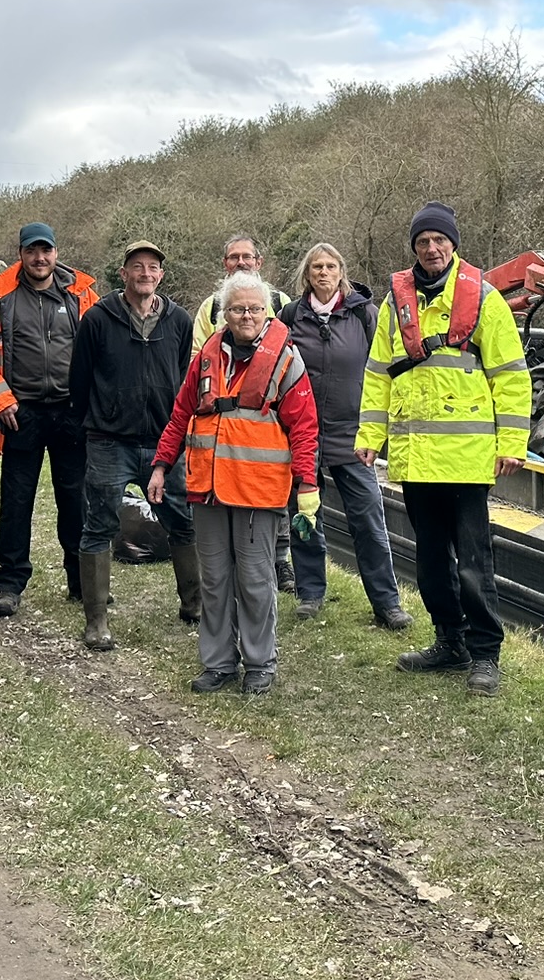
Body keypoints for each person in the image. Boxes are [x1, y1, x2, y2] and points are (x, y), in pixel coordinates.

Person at [354, 203, 531, 697]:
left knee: (474, 564)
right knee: (431, 562)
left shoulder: (484, 299)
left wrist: (513, 442)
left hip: (468, 460)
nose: (431, 249)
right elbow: (377, 374)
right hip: (415, 458)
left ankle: (485, 654)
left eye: (439, 240)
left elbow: (512, 377)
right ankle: (448, 640)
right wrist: (369, 437)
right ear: (413, 247)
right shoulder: (395, 303)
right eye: (423, 241)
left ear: (454, 244)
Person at [152, 272, 319, 694]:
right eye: (238, 309)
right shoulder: (206, 357)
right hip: (207, 488)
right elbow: (179, 415)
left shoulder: (285, 360)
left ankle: (261, 663)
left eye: (255, 309)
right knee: (214, 579)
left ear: (267, 312)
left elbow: (304, 428)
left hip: (257, 491)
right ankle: (219, 663)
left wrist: (307, 484)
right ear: (224, 313)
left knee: (256, 580)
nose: (247, 316)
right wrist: (159, 466)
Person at [67, 240, 200, 649]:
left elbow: (182, 379)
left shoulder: (179, 320)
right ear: (122, 273)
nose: (145, 273)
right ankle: (97, 621)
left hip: (164, 441)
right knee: (99, 525)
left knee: (183, 520)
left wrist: (174, 432)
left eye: (153, 267)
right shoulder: (97, 319)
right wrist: (95, 421)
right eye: (137, 267)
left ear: (161, 275)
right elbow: (80, 379)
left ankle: (194, 605)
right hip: (110, 440)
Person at [0, 222, 99, 619]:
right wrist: (0, 401)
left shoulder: (81, 295)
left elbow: (99, 351)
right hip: (19, 414)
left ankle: (82, 582)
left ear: (56, 253)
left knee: (76, 500)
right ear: (21, 254)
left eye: (46, 251)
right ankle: (9, 585)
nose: (40, 258)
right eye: (32, 251)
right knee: (16, 501)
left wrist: (90, 405)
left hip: (71, 413)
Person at [276, 243, 409, 627]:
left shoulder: (365, 314)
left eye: (330, 266)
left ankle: (387, 603)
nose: (323, 272)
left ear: (341, 272)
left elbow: (386, 369)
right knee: (306, 515)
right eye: (316, 266)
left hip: (352, 435)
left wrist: (380, 427)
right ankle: (310, 593)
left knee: (368, 519)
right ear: (307, 273)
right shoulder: (289, 317)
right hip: (301, 435)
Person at [193, 234, 295, 592]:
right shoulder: (210, 308)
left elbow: (292, 357)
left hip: (269, 419)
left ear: (259, 261)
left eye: (246, 256)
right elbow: (197, 362)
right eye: (233, 257)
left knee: (274, 498)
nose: (240, 262)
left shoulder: (282, 303)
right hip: (220, 426)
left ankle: (281, 562)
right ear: (225, 264)